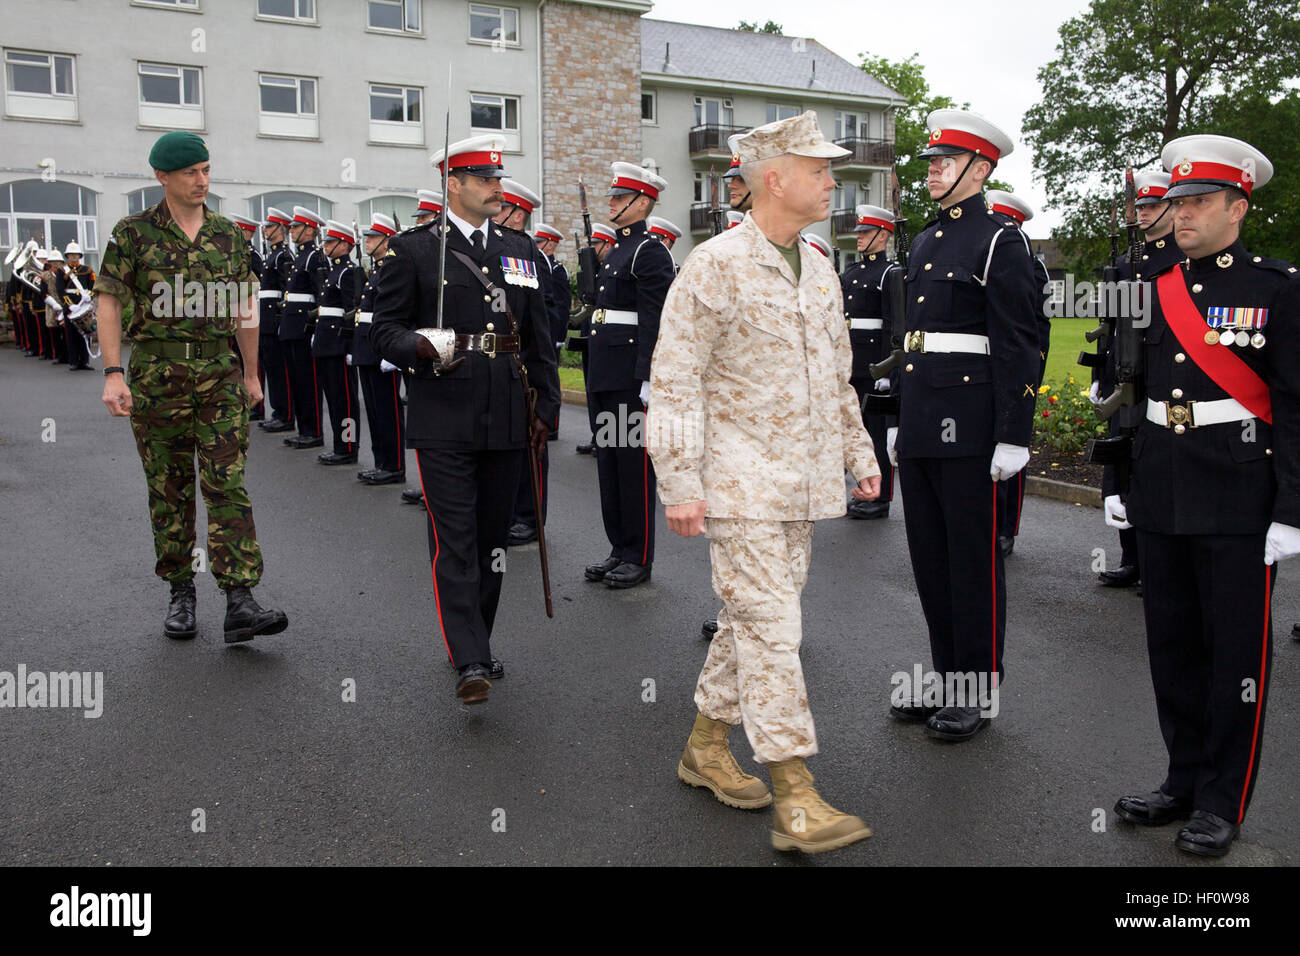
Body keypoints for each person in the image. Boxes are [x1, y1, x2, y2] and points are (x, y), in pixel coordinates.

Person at [650, 111, 881, 854]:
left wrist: (860, 455)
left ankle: (704, 747)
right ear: (773, 180)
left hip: (800, 485)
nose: (832, 181)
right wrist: (679, 481)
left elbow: (836, 377)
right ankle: (796, 793)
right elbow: (675, 381)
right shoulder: (714, 265)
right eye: (819, 170)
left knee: (749, 622)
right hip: (737, 483)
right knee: (776, 629)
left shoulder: (819, 266)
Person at [1111, 135, 1298, 858]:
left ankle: (1223, 800)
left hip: (1238, 497)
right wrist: (1120, 484)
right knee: (1173, 650)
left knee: (1235, 661)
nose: (1180, 214)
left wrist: (1291, 512)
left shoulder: (1277, 289)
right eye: (1177, 201)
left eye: (1198, 202)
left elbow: (1295, 405)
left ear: (1237, 207)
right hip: (1162, 490)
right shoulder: (1153, 285)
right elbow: (1132, 395)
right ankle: (1182, 780)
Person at [369, 135, 560, 704]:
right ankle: (470, 657)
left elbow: (539, 338)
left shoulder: (520, 249)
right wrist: (418, 345)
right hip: (444, 410)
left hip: (508, 410)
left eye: (498, 179)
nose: (497, 189)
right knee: (454, 538)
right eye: (484, 180)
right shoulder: (413, 250)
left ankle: (476, 638)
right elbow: (383, 330)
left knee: (490, 540)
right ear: (453, 184)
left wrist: (547, 409)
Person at [93, 130, 288, 644]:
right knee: (170, 488)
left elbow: (246, 306)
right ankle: (181, 589)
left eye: (205, 170)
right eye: (189, 173)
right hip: (158, 378)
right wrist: (113, 372)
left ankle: (240, 598)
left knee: (228, 483)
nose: (202, 181)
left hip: (220, 376)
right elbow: (108, 301)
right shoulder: (133, 233)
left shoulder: (229, 234)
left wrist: (251, 373)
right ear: (162, 177)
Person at [888, 109, 1040, 741]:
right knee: (932, 561)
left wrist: (1014, 434)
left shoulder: (1001, 241)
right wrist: (898, 418)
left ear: (980, 170)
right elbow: (913, 340)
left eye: (945, 162)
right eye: (931, 162)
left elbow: (1020, 343)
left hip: (971, 425)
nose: (933, 171)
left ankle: (976, 689)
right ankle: (949, 678)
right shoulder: (926, 239)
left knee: (972, 562)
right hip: (924, 419)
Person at [582, 162, 675, 590]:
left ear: (642, 202)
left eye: (620, 197)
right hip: (606, 374)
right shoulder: (619, 250)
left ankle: (638, 556)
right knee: (610, 466)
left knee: (632, 469)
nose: (612, 203)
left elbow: (656, 320)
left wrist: (649, 378)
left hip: (628, 380)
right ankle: (619, 548)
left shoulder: (649, 251)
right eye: (613, 196)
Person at [1093, 170, 1182, 588]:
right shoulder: (1126, 264)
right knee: (1122, 463)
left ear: (1172, 209)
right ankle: (1131, 558)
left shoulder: (1183, 260)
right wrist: (1100, 375)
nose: (1143, 213)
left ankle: (1156, 562)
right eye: (1140, 206)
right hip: (1123, 374)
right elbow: (1109, 326)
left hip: (1161, 376)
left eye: (1152, 205)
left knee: (1155, 471)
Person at [984, 190, 1052, 556]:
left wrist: (1030, 375)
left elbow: (1036, 327)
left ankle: (1007, 526)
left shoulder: (1030, 265)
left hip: (1015, 367)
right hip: (985, 366)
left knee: (1011, 446)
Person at [507, 222, 570, 546]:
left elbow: (539, 312)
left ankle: (530, 517)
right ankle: (512, 512)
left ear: (518, 216)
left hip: (525, 357)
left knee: (531, 443)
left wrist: (545, 354)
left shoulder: (524, 256)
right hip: (501, 363)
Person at [841, 204, 899, 520]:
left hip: (876, 366)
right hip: (853, 364)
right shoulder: (853, 273)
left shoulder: (891, 273)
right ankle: (863, 490)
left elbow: (893, 325)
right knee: (856, 432)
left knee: (876, 434)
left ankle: (881, 497)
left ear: (883, 234)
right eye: (859, 231)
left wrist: (887, 370)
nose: (859, 237)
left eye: (866, 231)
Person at [353, 213, 406, 485]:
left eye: (373, 237)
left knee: (388, 409)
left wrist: (392, 352)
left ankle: (394, 465)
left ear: (387, 240)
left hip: (382, 348)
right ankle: (381, 462)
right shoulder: (376, 270)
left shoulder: (390, 269)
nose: (368, 241)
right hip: (367, 345)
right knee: (374, 410)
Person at [311, 220, 364, 466]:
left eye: (331, 242)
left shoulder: (348, 272)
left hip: (339, 345)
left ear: (344, 245)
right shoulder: (334, 271)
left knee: (344, 401)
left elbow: (352, 312)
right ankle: (339, 445)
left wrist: (351, 347)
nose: (326, 246)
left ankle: (348, 446)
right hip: (326, 343)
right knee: (333, 399)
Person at [279, 206, 328, 449]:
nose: (291, 231)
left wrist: (314, 329)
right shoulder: (300, 256)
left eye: (296, 227)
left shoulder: (314, 257)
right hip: (292, 326)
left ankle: (314, 431)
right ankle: (304, 428)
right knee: (297, 380)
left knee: (308, 382)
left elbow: (320, 296)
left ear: (309, 230)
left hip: (303, 327)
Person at [570, 221, 616, 458]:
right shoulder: (592, 271)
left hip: (606, 341)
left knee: (605, 393)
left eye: (596, 244)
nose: (592, 249)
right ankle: (596, 435)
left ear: (608, 245)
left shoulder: (611, 271)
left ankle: (606, 438)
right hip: (590, 336)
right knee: (591, 390)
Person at [255, 207, 295, 433]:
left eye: (269, 226)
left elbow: (285, 291)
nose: (265, 230)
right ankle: (278, 411)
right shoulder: (272, 254)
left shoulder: (283, 256)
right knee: (271, 368)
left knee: (281, 370)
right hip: (266, 320)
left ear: (280, 228)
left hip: (275, 320)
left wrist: (281, 321)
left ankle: (285, 414)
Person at [226, 214, 265, 420]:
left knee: (249, 360)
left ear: (247, 232)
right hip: (235, 315)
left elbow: (254, 290)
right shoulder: (236, 254)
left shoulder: (252, 255)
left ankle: (256, 406)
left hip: (249, 313)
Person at [57, 241, 95, 371]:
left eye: (76, 254)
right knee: (71, 334)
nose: (74, 256)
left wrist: (90, 296)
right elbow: (60, 290)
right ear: (67, 256)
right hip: (70, 306)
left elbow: (93, 287)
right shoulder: (62, 271)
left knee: (85, 334)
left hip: (84, 305)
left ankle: (84, 361)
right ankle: (74, 361)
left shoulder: (87, 270)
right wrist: (70, 305)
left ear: (79, 256)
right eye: (71, 254)